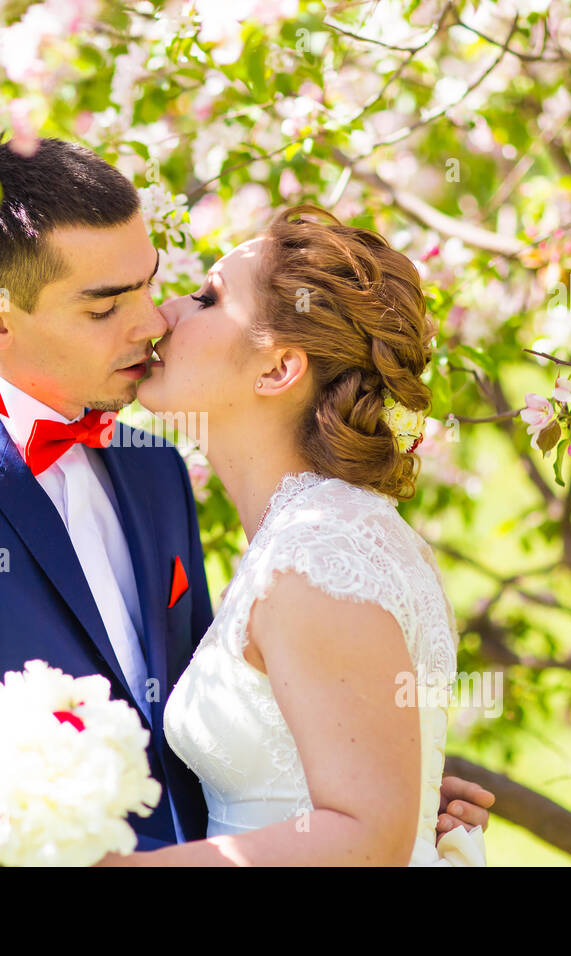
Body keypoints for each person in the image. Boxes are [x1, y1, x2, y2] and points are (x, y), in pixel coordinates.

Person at [0, 139, 492, 865]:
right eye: (107, 306)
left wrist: (370, 794)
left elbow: (212, 743)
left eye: (152, 285)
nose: (152, 322)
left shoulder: (155, 469)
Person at [97, 204, 485, 865]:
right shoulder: (312, 537)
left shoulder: (318, 556)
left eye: (207, 298)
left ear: (278, 369)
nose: (165, 315)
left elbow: (366, 837)